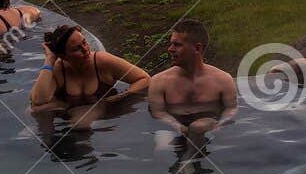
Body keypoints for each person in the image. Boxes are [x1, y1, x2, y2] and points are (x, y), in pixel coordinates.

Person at [30, 24, 151, 127]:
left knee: (80, 122)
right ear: (63, 56)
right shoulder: (58, 68)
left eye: (84, 42)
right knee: (33, 111)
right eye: (77, 49)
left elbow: (144, 79)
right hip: (67, 108)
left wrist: (119, 98)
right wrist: (49, 59)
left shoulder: (103, 61)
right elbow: (38, 100)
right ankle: (46, 144)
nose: (86, 49)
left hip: (103, 106)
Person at [147, 18, 238, 147]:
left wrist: (220, 124)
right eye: (171, 44)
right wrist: (177, 126)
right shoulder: (159, 81)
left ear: (197, 48)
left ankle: (188, 164)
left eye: (177, 44)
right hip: (171, 129)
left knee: (201, 128)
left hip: (208, 127)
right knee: (163, 152)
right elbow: (158, 113)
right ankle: (187, 164)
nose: (170, 49)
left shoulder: (223, 79)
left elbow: (231, 109)